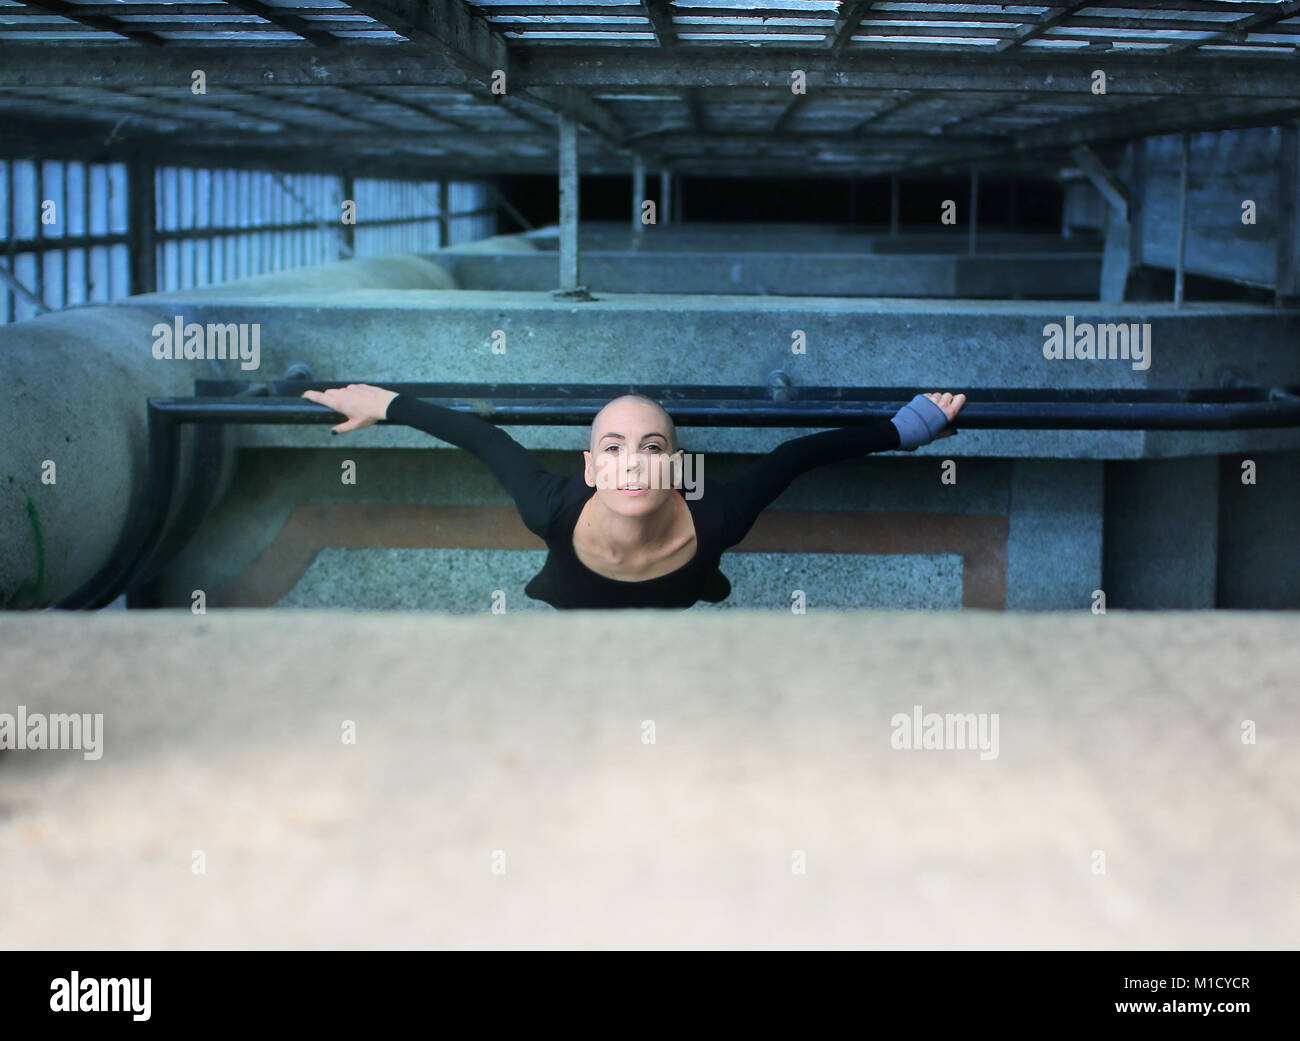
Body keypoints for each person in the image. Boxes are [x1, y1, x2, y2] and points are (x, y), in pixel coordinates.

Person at [301, 384, 965, 609]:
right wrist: (377, 404)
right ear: (591, 468)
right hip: (572, 598)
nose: (632, 464)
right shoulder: (548, 504)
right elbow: (479, 435)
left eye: (652, 447)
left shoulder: (719, 517)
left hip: (683, 590)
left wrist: (908, 428)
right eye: (613, 448)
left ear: (675, 466)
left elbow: (801, 454)